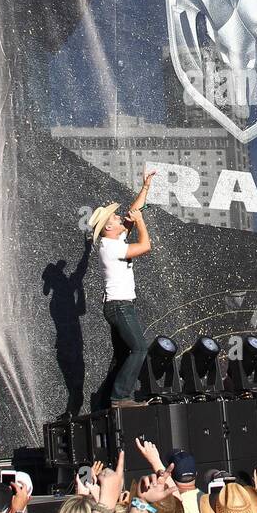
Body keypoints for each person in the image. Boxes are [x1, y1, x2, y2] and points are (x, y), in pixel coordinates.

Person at [87, 169, 156, 408]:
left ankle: (107, 400)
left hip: (119, 305)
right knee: (139, 349)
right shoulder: (111, 247)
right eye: (115, 219)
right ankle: (119, 398)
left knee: (124, 354)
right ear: (108, 228)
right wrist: (141, 222)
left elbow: (132, 212)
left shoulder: (114, 239)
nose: (119, 219)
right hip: (119, 306)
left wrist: (145, 187)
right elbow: (146, 245)